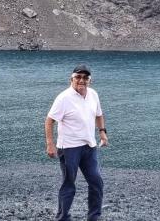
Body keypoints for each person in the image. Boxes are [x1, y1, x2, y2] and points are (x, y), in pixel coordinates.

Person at [45, 65, 108, 221]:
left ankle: (94, 217)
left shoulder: (93, 94)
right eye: (78, 77)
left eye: (85, 78)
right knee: (69, 183)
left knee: (96, 182)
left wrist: (102, 132)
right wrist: (50, 144)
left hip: (89, 146)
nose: (81, 80)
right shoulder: (63, 98)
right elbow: (49, 121)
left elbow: (99, 115)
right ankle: (63, 217)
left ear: (90, 80)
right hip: (69, 148)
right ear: (71, 79)